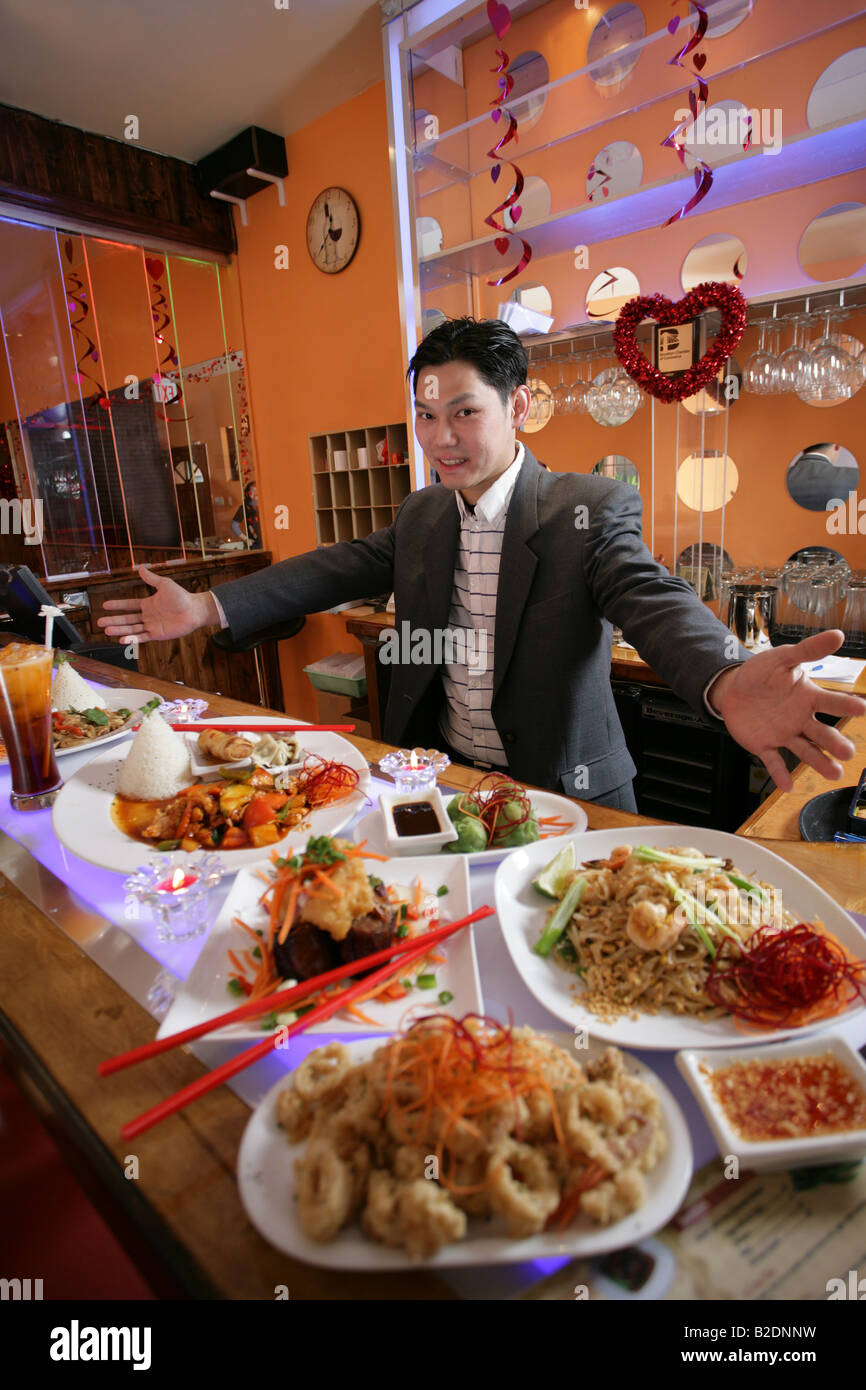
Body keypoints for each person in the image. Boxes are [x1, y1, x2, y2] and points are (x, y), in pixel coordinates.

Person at [99, 317, 864, 810]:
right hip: (445, 778)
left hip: (567, 792)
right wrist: (208, 608)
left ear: (519, 407)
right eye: (426, 416)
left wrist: (725, 674)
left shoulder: (587, 506)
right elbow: (339, 567)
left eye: (465, 411)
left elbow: (648, 593)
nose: (441, 438)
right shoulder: (423, 511)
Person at [231, 481, 260, 549]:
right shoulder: (244, 508)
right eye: (252, 492)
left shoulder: (265, 505)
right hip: (255, 544)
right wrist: (246, 539)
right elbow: (234, 526)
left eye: (256, 491)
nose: (255, 494)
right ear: (248, 494)